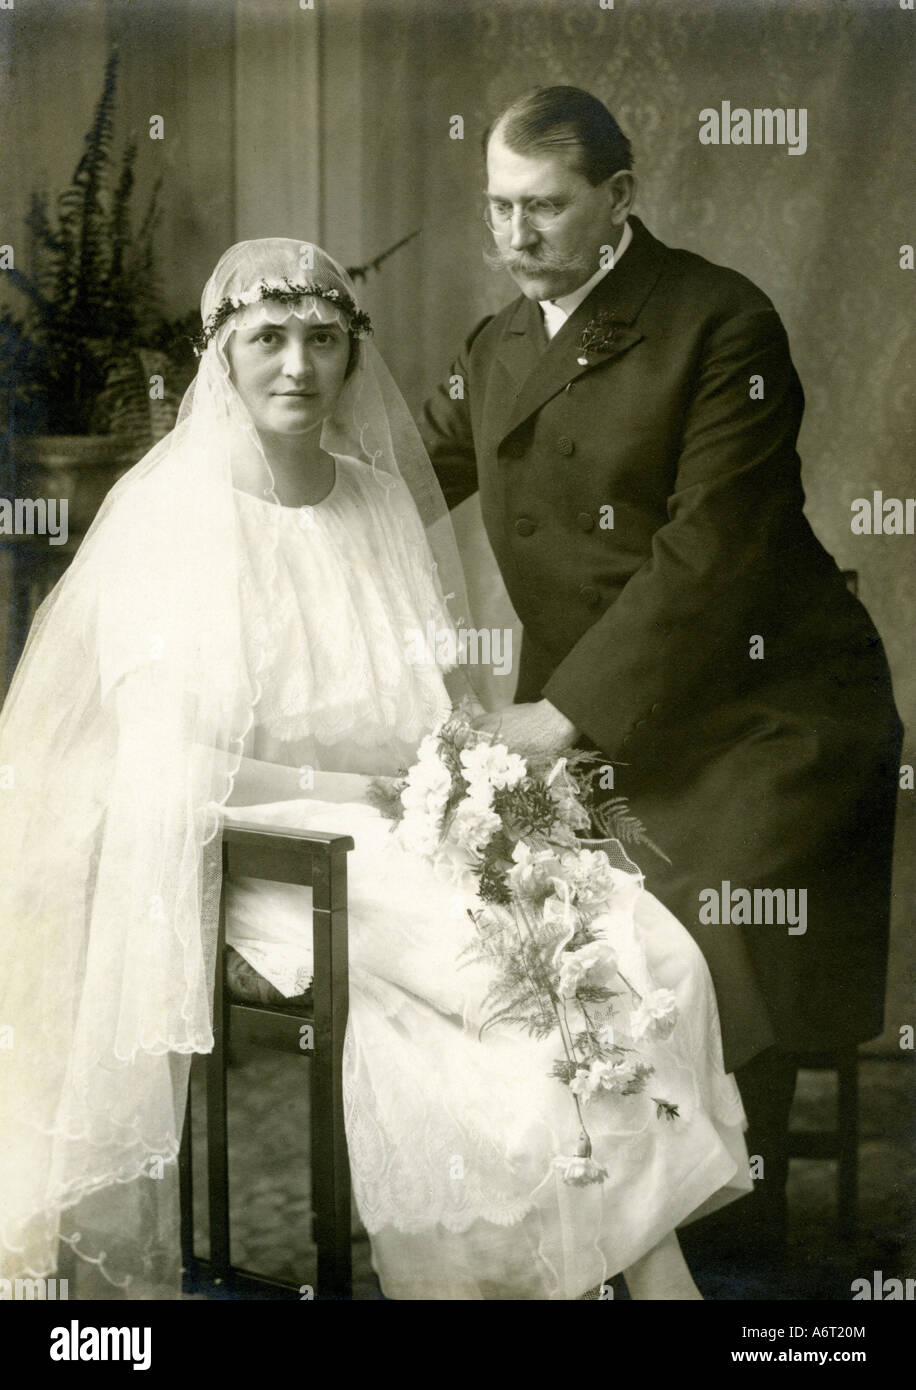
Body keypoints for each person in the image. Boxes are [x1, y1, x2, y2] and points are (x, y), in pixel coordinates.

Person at [0, 238, 752, 1301]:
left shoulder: (371, 500)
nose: (297, 367)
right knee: (520, 997)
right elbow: (173, 772)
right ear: (221, 357)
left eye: (322, 340)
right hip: (263, 852)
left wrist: (461, 788)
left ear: (353, 355)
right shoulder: (174, 522)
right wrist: (372, 802)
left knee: (648, 949)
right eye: (268, 340)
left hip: (402, 834)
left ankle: (621, 1258)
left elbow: (423, 713)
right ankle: (642, 1277)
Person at [418, 86, 903, 1273]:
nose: (515, 235)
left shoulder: (719, 323)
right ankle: (605, 1215)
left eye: (544, 207)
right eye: (497, 208)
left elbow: (710, 554)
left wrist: (563, 713)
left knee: (701, 924)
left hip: (771, 711)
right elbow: (400, 478)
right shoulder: (495, 349)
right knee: (526, 930)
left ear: (618, 199)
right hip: (611, 717)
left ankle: (725, 1229)